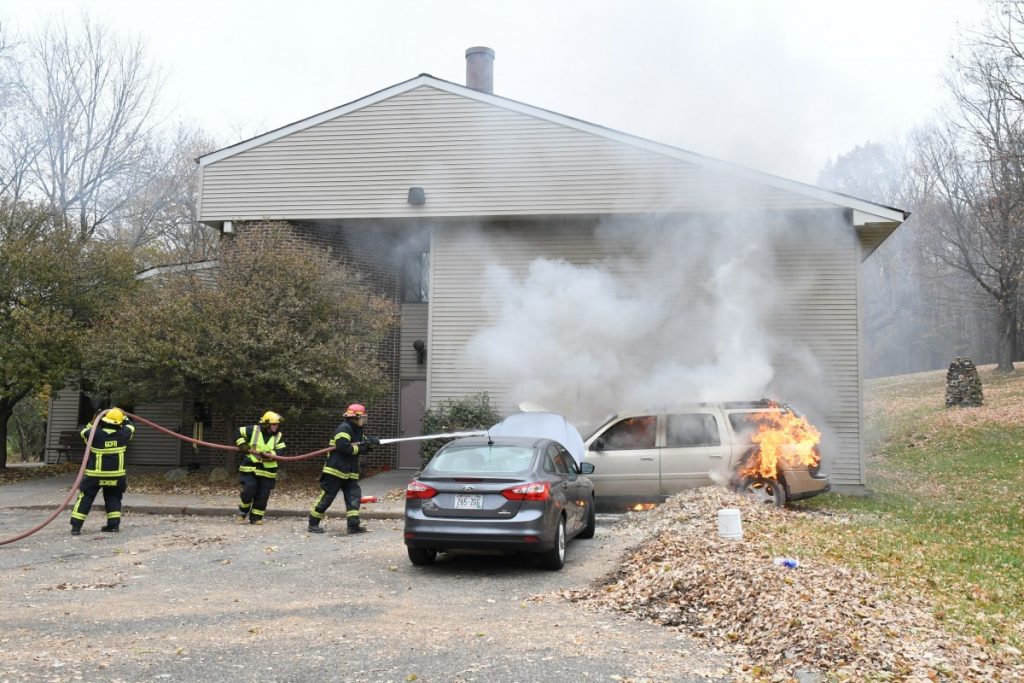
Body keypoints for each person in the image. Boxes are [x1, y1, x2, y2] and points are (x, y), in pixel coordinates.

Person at [307, 403, 380, 534]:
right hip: (335, 471)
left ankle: (353, 526)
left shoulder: (357, 430)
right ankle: (313, 523)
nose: (364, 420)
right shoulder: (344, 429)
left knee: (354, 497)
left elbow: (362, 445)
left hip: (350, 472)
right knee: (327, 497)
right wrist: (362, 447)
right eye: (362, 417)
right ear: (355, 417)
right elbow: (344, 447)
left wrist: (371, 444)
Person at [70, 407, 135, 535]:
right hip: (116, 477)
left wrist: (93, 420)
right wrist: (124, 415)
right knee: (114, 498)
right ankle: (113, 526)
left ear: (104, 421)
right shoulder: (123, 434)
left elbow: (83, 432)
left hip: (95, 476)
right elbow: (131, 426)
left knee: (86, 498)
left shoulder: (95, 434)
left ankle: (76, 527)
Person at [234, 411, 286, 525]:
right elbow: (238, 431)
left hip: (268, 471)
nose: (276, 426)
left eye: (277, 424)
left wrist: (269, 454)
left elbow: (281, 451)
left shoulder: (278, 436)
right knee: (249, 489)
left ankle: (256, 517)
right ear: (266, 424)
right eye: (273, 424)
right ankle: (243, 512)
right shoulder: (253, 430)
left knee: (263, 495)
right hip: (251, 468)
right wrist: (242, 445)